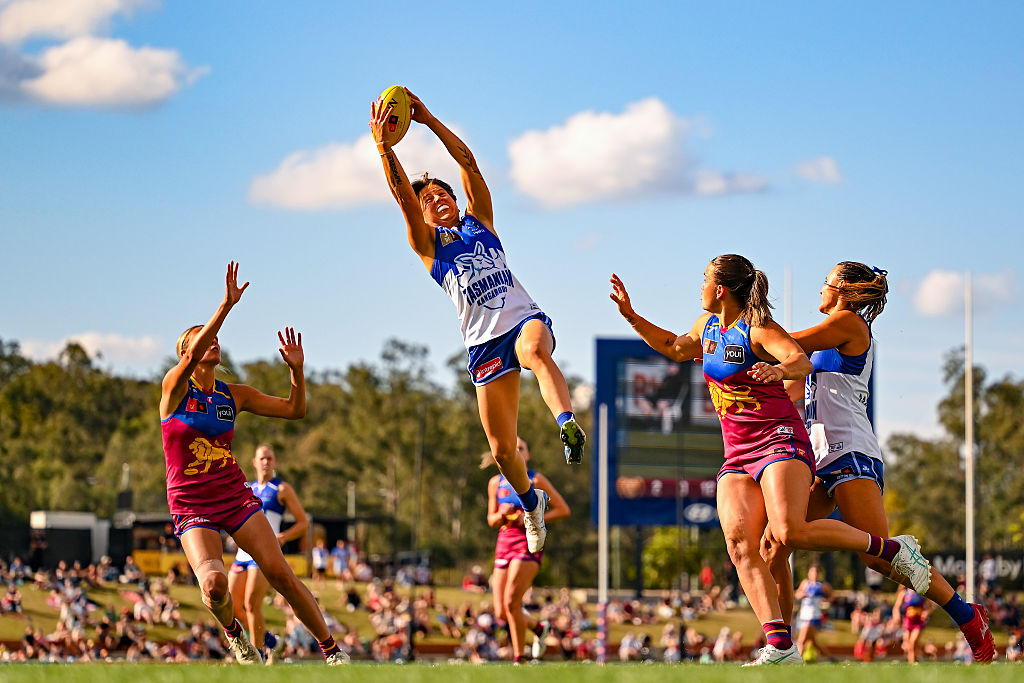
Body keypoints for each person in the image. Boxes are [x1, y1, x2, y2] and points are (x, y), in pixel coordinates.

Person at [608, 254, 932, 666]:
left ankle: (890, 550)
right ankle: (780, 647)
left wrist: (779, 370)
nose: (700, 286)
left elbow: (798, 358)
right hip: (737, 451)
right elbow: (674, 347)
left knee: (788, 530)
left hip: (778, 439)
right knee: (740, 544)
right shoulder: (706, 326)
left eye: (705, 279)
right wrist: (631, 315)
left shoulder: (758, 327)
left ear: (720, 289)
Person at [369, 90, 585, 553]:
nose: (436, 200)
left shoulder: (479, 222)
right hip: (484, 344)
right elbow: (402, 196)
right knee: (503, 451)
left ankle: (567, 423)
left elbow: (468, 164)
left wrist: (429, 120)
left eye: (441, 193)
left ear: (454, 198)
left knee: (535, 351)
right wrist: (385, 149)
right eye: (428, 200)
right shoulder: (429, 246)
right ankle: (532, 504)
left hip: (523, 319)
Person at [759, 261, 994, 663]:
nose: (820, 289)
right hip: (821, 457)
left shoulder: (848, 322)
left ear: (844, 289)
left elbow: (790, 343)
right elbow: (790, 388)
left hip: (850, 451)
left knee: (879, 557)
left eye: (826, 282)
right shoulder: (827, 342)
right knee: (773, 544)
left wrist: (744, 330)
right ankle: (782, 648)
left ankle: (967, 615)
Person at [159, 262, 348, 666]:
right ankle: (235, 635)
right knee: (214, 584)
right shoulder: (173, 389)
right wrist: (225, 306)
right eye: (202, 338)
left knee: (280, 573)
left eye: (214, 337)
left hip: (234, 496)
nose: (213, 341)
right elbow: (192, 353)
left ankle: (333, 652)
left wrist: (297, 372)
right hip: (191, 504)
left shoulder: (234, 395)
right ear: (186, 353)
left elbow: (295, 410)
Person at [485, 436, 570, 664]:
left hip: (528, 541)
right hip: (504, 543)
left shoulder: (536, 479)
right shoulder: (495, 483)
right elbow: (491, 520)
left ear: (527, 455)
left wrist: (533, 518)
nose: (517, 451)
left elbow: (563, 509)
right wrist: (502, 514)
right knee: (501, 612)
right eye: (513, 447)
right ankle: (539, 628)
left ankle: (519, 657)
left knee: (512, 601)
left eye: (521, 448)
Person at [227, 444, 310, 664]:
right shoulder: (248, 488)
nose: (266, 462)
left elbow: (303, 523)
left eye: (269, 458)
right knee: (230, 606)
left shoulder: (282, 489)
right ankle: (272, 643)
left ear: (275, 462)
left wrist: (283, 537)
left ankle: (258, 656)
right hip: (243, 553)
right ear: (254, 462)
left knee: (251, 604)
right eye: (262, 458)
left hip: (265, 551)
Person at [794, 566, 833, 661]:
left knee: (801, 640)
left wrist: (826, 601)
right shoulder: (805, 583)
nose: (814, 575)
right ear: (809, 573)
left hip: (814, 616)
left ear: (819, 574)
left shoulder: (822, 585)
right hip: (804, 615)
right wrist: (803, 594)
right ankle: (830, 658)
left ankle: (798, 661)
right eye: (812, 572)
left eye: (816, 573)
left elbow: (832, 595)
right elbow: (797, 595)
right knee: (813, 641)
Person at [893, 586, 932, 664]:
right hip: (908, 621)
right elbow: (896, 607)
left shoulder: (922, 592)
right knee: (908, 644)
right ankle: (912, 661)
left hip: (919, 621)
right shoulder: (904, 593)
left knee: (913, 641)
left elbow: (931, 606)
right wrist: (896, 616)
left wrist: (926, 612)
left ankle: (913, 662)